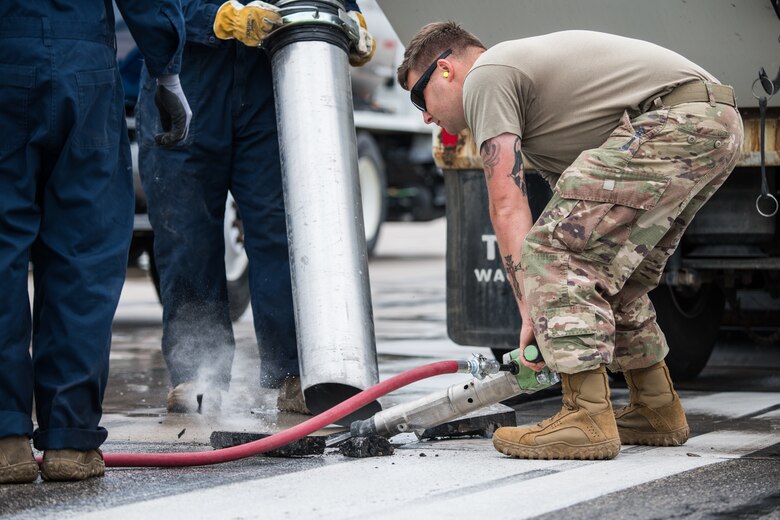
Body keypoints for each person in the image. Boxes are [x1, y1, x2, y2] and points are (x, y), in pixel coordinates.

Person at [397, 23, 743, 460]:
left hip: (678, 120)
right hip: (713, 122)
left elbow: (507, 205)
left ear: (444, 70)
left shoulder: (485, 75)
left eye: (418, 98)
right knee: (608, 268)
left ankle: (586, 418)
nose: (425, 117)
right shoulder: (542, 111)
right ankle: (655, 408)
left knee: (551, 251)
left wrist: (531, 312)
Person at [136, 1, 374, 414]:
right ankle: (198, 373)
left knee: (282, 228)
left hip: (270, 74)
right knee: (186, 235)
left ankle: (294, 373)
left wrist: (349, 16)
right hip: (185, 74)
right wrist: (216, 17)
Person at [0, 1, 190, 483]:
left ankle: (6, 442)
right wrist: (166, 72)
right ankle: (71, 441)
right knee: (82, 256)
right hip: (85, 71)